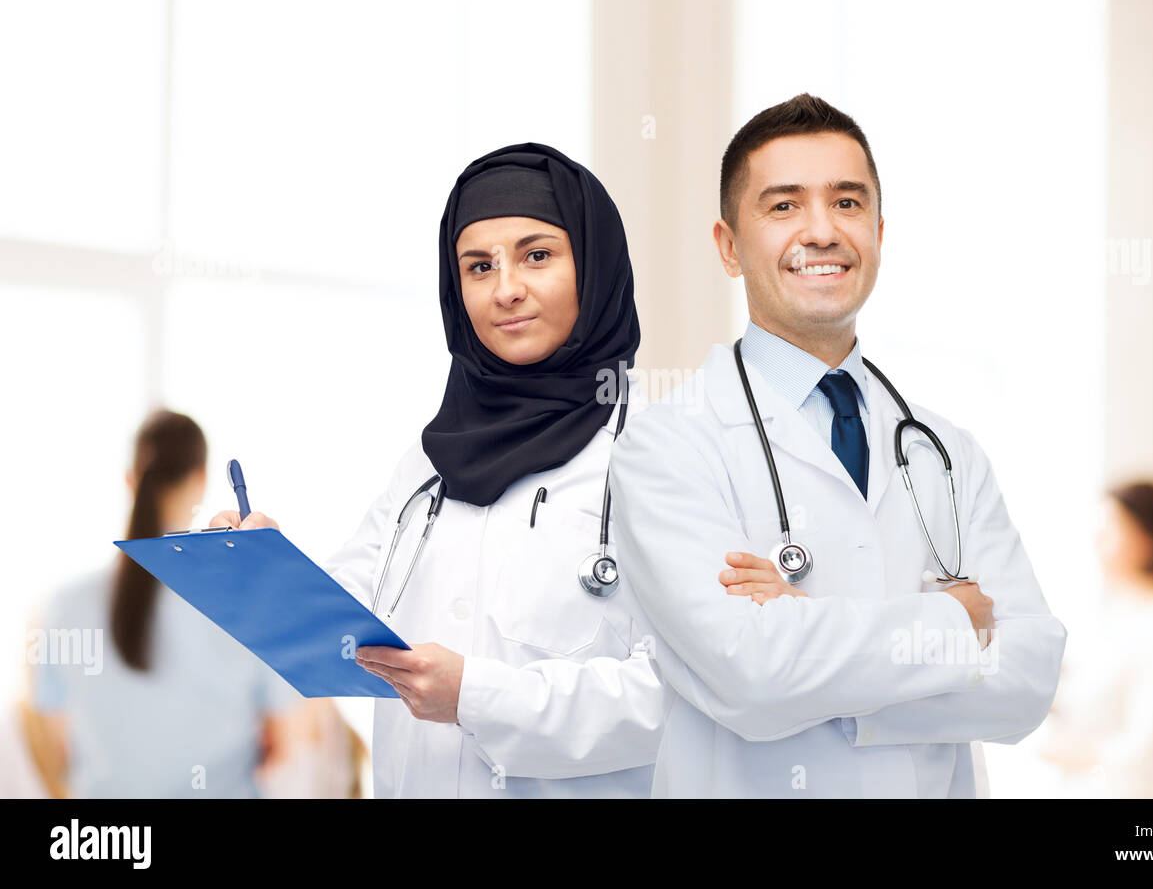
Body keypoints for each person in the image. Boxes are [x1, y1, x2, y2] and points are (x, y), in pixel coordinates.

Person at [608, 94, 1068, 798]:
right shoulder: (667, 444)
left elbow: (1029, 677)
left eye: (847, 204)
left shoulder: (946, 451)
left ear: (879, 232)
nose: (822, 231)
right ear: (729, 247)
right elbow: (752, 673)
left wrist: (806, 635)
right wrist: (954, 621)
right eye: (784, 206)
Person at [211, 143, 665, 798]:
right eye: (478, 267)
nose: (506, 289)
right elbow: (353, 620)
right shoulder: (428, 462)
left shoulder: (657, 458)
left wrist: (478, 696)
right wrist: (263, 570)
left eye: (537, 255)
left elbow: (676, 692)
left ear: (593, 269)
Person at [28, 410, 309, 798]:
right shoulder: (246, 603)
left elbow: (59, 742)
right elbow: (279, 744)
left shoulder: (64, 606)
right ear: (200, 480)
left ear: (130, 479)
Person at [1037, 481, 1153, 797]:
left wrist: (1076, 752)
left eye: (1111, 529)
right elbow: (1085, 694)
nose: (1097, 541)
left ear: (1147, 539)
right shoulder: (1112, 613)